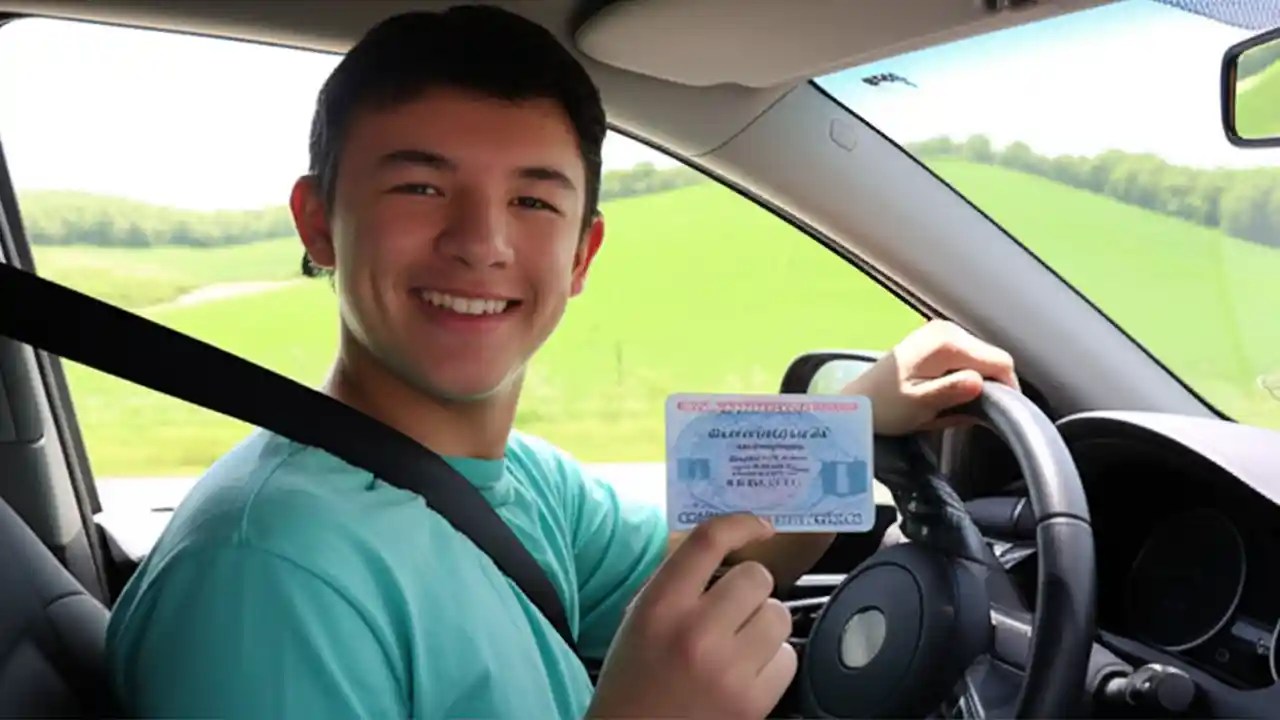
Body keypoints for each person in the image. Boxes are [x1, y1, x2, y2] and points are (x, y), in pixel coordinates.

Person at [105, 6, 1020, 720]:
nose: (481, 243)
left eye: (534, 203)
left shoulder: (510, 480)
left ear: (582, 256)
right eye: (421, 187)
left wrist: (857, 415)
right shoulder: (271, 573)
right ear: (317, 224)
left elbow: (695, 572)